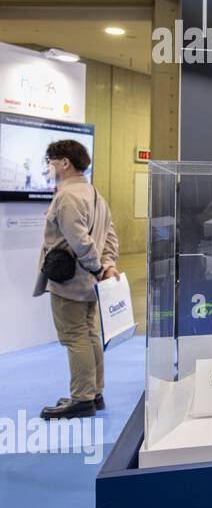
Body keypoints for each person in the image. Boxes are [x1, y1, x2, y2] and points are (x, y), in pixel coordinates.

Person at [33, 140, 119, 420]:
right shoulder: (94, 194)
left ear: (64, 162)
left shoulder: (67, 197)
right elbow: (110, 236)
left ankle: (82, 398)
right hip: (90, 283)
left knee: (74, 336)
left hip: (71, 282)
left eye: (51, 161)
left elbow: (79, 241)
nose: (49, 167)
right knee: (89, 333)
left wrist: (96, 268)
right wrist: (106, 266)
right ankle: (93, 392)